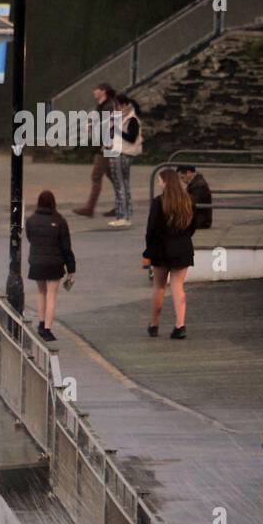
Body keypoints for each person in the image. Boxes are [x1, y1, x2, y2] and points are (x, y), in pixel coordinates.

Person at [143, 168, 197, 339]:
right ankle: (180, 325)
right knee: (178, 286)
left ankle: (154, 324)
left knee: (159, 287)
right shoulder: (188, 200)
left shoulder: (159, 202)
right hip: (182, 248)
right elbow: (193, 225)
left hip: (161, 249)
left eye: (160, 181)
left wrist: (148, 251)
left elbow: (151, 229)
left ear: (165, 182)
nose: (159, 183)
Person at [25, 189, 76, 342]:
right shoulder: (59, 220)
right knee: (51, 294)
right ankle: (47, 329)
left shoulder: (31, 220)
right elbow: (66, 247)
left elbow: (30, 238)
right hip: (54, 263)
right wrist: (71, 268)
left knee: (41, 292)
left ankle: (41, 323)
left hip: (37, 262)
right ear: (53, 203)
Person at [73, 82, 116, 217]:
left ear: (103, 91)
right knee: (114, 176)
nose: (94, 92)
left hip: (106, 146)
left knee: (96, 176)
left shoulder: (108, 106)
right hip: (102, 145)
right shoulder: (103, 106)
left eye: (96, 89)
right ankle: (122, 205)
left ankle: (89, 208)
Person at [106, 93, 143, 228]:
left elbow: (131, 138)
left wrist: (116, 130)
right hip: (116, 152)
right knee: (120, 185)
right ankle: (122, 215)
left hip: (124, 154)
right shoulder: (120, 118)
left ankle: (124, 216)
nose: (115, 109)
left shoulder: (131, 119)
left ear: (123, 105)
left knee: (121, 185)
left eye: (116, 106)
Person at [176, 164, 213, 230]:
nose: (182, 181)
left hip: (200, 220)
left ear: (188, 173)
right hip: (199, 219)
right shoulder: (195, 183)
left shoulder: (199, 185)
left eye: (182, 177)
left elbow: (193, 202)